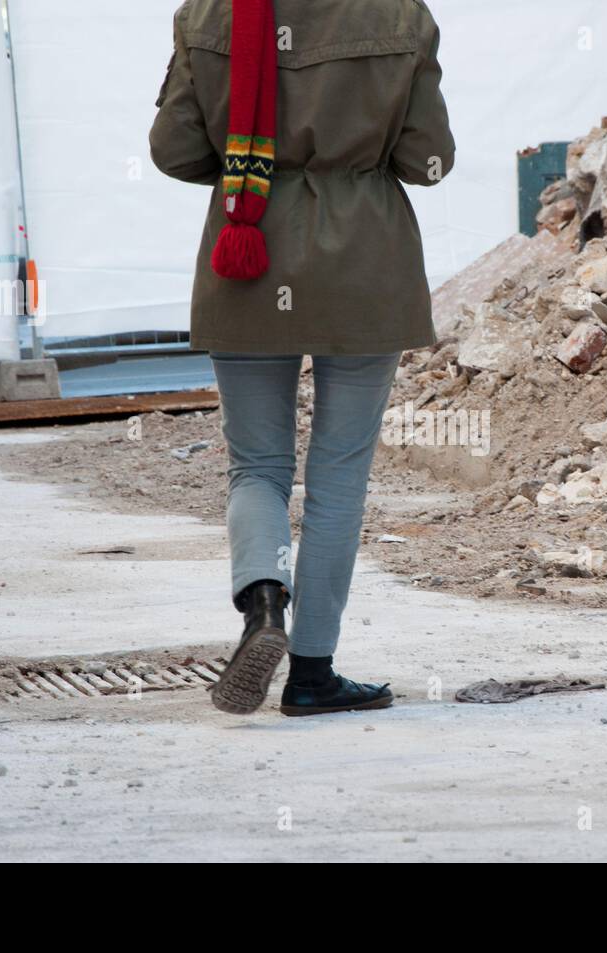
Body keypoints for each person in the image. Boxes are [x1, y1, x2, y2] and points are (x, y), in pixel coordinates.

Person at [149, 0, 454, 716]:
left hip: (247, 249)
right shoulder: (401, 15)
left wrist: (251, 154)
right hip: (365, 259)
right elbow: (427, 158)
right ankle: (312, 674)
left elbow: (174, 149)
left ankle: (264, 605)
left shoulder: (211, 14)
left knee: (256, 465)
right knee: (338, 476)